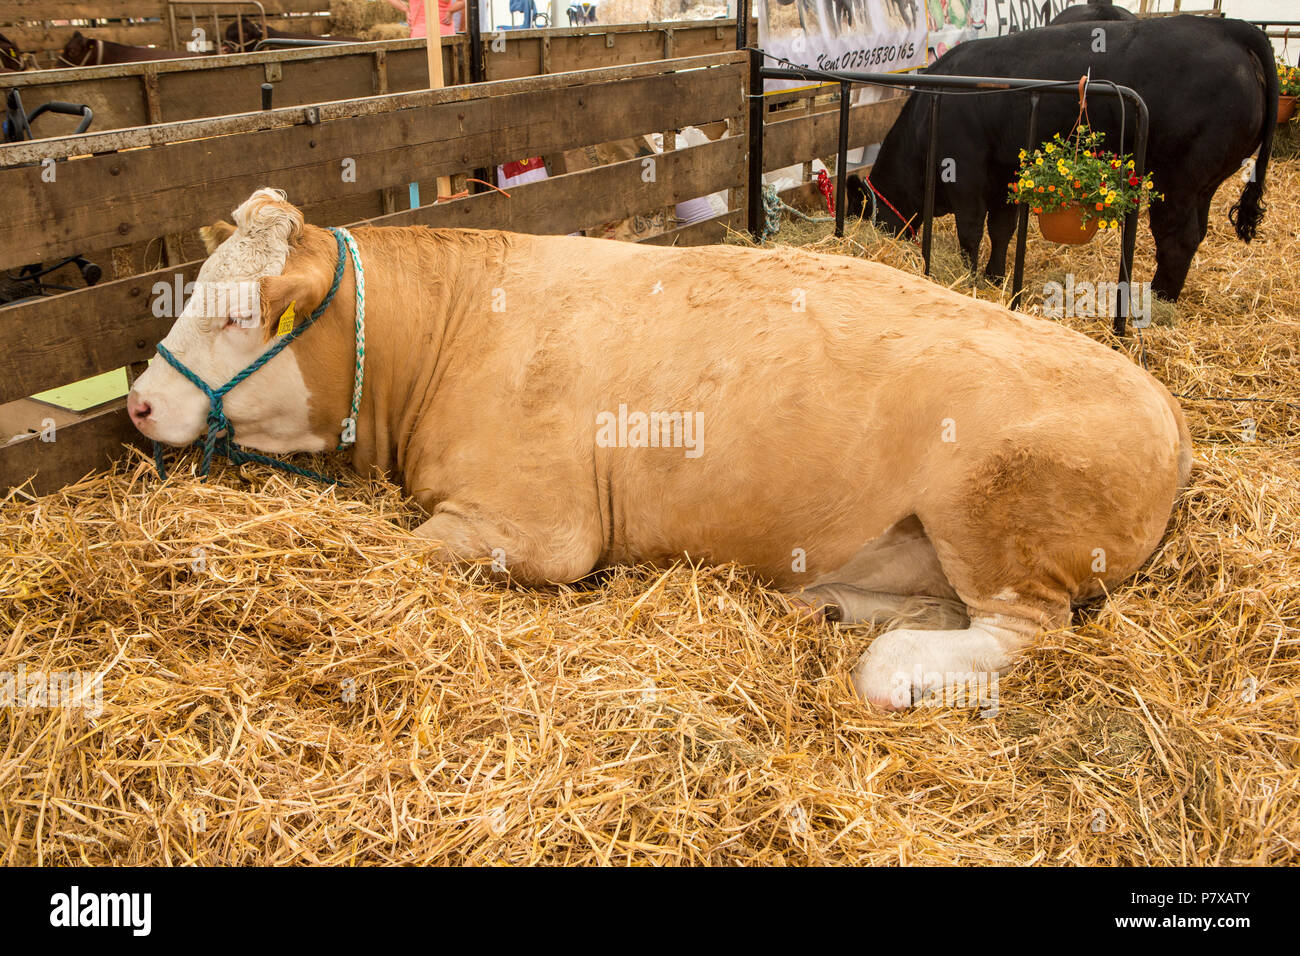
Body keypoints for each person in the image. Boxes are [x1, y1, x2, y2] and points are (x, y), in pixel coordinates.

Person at [385, 0, 464, 37]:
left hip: (419, 34)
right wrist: (450, 11)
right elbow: (463, 2)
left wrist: (406, 10)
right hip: (444, 32)